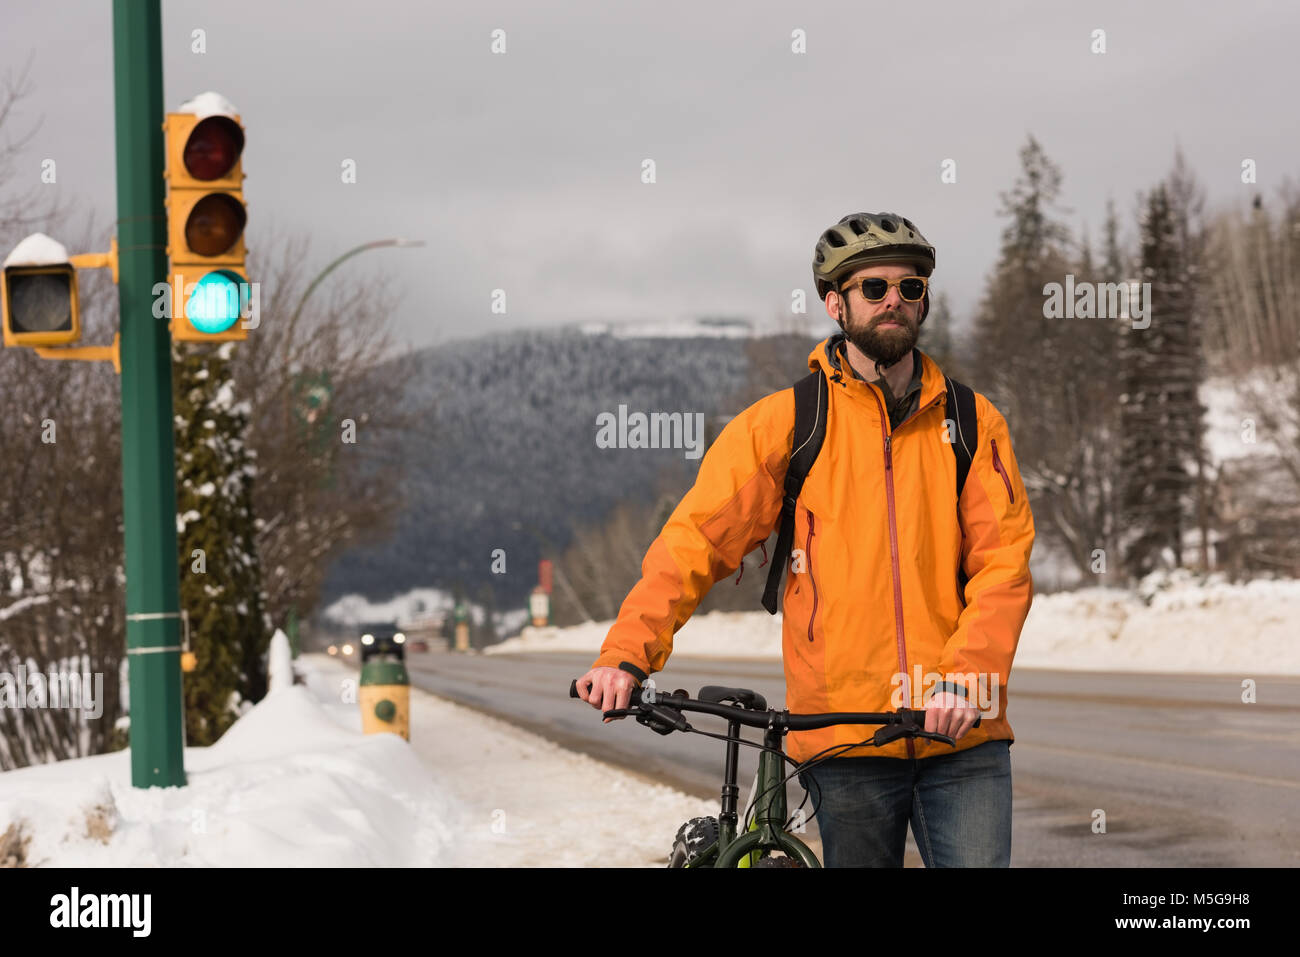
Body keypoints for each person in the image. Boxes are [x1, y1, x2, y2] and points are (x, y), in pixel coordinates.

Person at [574, 212, 1035, 867]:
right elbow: (694, 543)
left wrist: (965, 681)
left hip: (964, 740)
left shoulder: (971, 421)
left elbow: (1004, 567)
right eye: (873, 288)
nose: (893, 303)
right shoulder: (788, 423)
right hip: (844, 741)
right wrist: (626, 655)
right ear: (834, 302)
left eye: (910, 288)